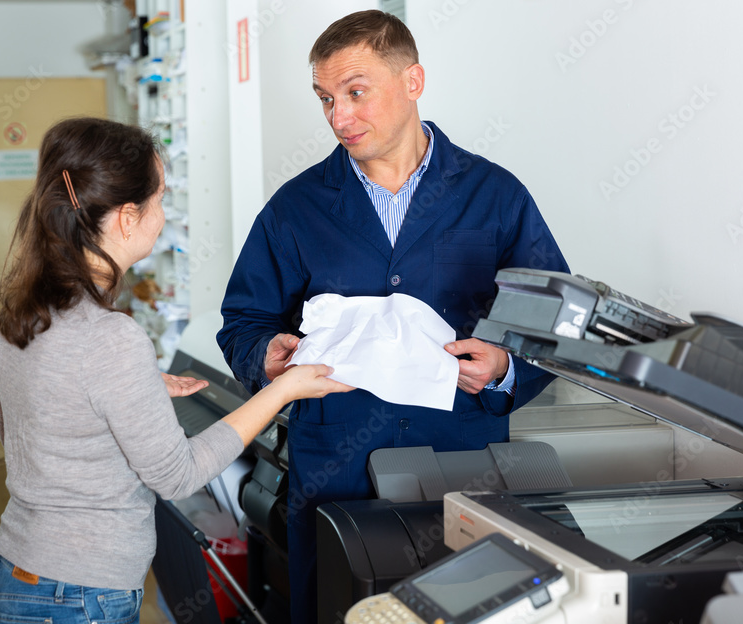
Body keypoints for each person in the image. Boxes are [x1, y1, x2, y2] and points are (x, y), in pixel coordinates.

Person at [217, 10, 570, 623]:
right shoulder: (295, 208)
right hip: (335, 470)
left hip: (461, 466)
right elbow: (243, 319)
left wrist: (506, 368)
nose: (339, 117)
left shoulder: (495, 195)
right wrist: (264, 355)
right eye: (326, 99)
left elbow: (553, 326)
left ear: (413, 82)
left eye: (356, 93)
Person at [0, 117, 352, 624]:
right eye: (160, 200)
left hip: (16, 570)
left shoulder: (22, 312)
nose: (163, 214)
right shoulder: (112, 338)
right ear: (128, 217)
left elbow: (24, 423)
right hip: (80, 594)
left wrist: (135, 391)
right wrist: (282, 391)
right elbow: (178, 476)